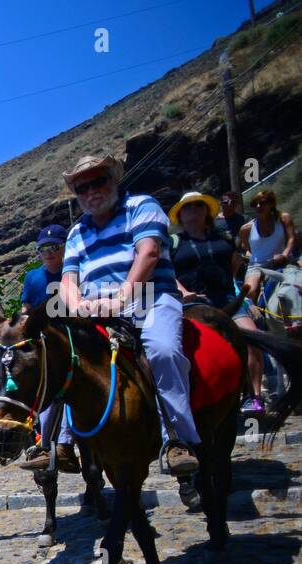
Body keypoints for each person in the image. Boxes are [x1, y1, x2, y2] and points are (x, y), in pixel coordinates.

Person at [58, 154, 201, 476]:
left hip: (149, 295)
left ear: (113, 179)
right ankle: (56, 445)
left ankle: (179, 440)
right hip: (97, 309)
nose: (92, 191)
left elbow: (148, 253)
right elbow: (68, 281)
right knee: (54, 356)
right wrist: (78, 305)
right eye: (83, 187)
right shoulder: (76, 232)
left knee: (162, 350)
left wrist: (122, 297)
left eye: (99, 181)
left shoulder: (142, 206)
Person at [169, 190, 264, 413]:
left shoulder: (223, 239)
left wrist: (235, 290)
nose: (194, 210)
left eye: (199, 206)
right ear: (180, 215)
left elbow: (233, 266)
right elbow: (166, 272)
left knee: (253, 337)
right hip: (193, 303)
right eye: (188, 207)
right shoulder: (173, 243)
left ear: (207, 211)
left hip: (227, 299)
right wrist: (182, 291)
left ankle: (254, 396)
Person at [18, 224, 81, 472]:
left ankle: (64, 444)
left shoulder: (74, 273)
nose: (48, 252)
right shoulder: (33, 278)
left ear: (64, 247)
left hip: (74, 340)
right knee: (48, 396)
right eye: (43, 248)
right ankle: (45, 445)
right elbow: (26, 310)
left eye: (54, 247)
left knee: (68, 392)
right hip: (45, 345)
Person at [238, 189, 297, 308]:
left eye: (263, 202)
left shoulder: (283, 218)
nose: (258, 206)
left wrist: (284, 255)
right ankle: (254, 320)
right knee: (250, 292)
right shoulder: (246, 229)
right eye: (255, 204)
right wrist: (251, 255)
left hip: (282, 261)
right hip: (257, 266)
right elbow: (246, 248)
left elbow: (292, 238)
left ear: (271, 204)